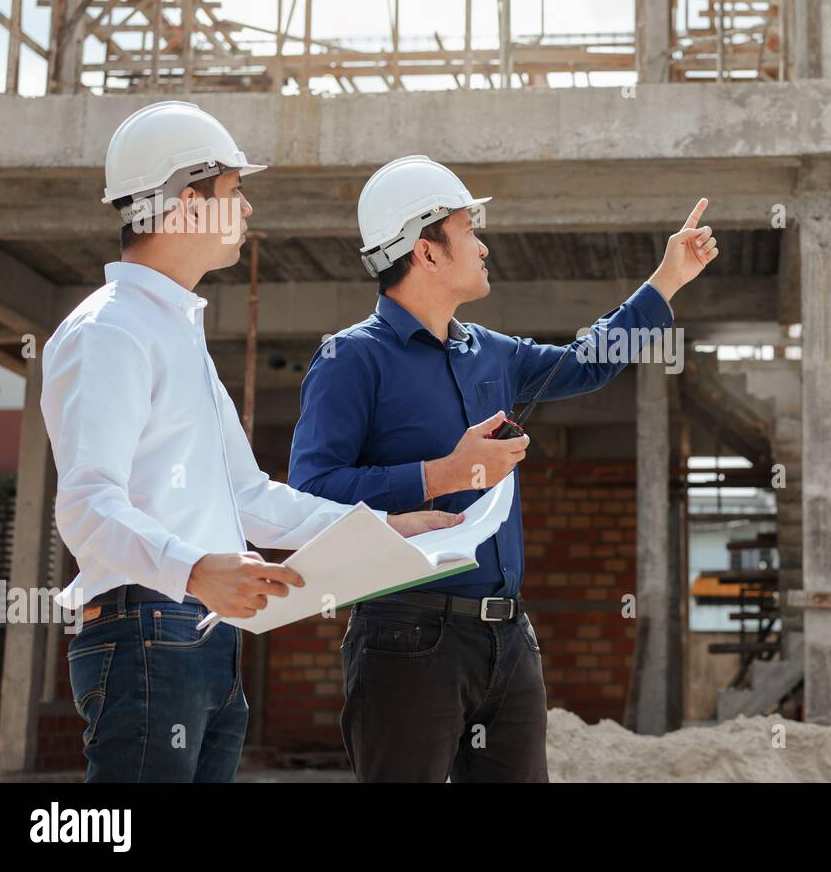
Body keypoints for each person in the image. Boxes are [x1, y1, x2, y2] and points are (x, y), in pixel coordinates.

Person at [43, 103, 460, 782]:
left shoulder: (175, 332)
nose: (247, 207)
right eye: (234, 192)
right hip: (148, 629)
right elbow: (86, 505)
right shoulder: (109, 332)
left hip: (199, 635)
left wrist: (382, 527)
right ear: (187, 205)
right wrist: (195, 569)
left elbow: (248, 496)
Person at [288, 154, 718, 781]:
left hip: (507, 638)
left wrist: (665, 282)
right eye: (469, 230)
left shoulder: (489, 351)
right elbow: (311, 492)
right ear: (425, 250)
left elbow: (586, 362)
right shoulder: (350, 361)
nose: (484, 247)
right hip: (406, 636)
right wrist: (439, 474)